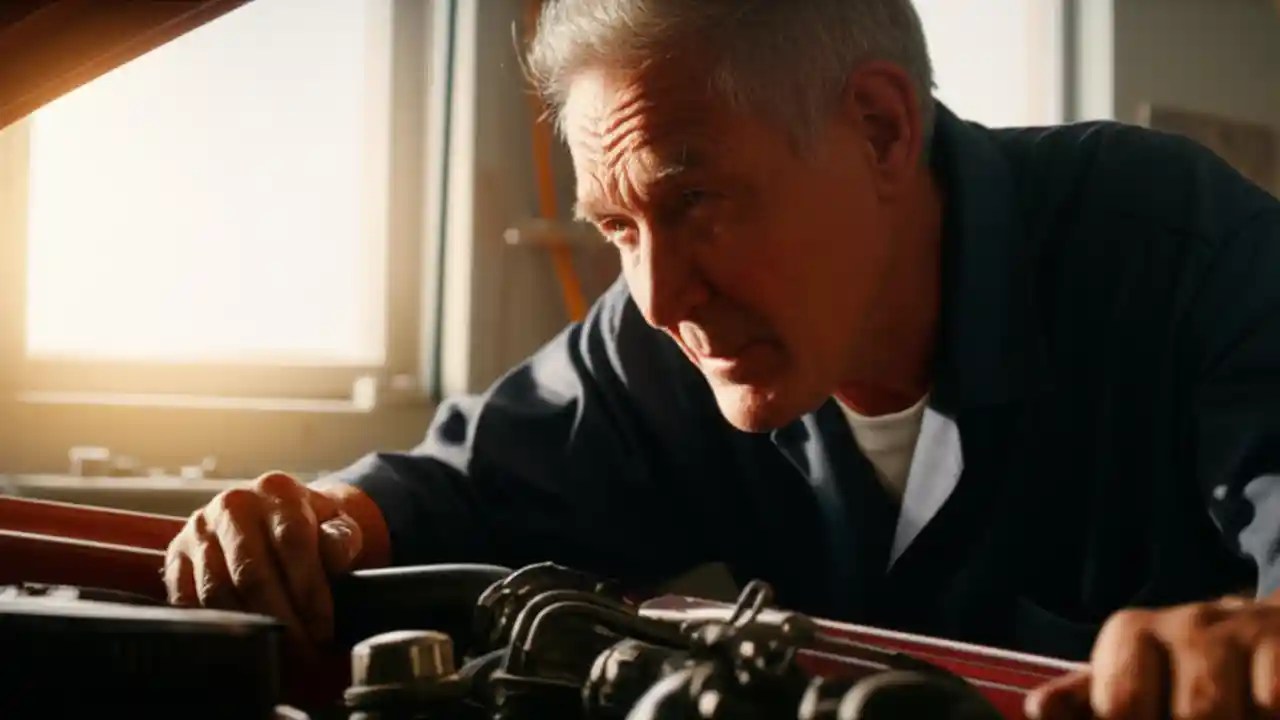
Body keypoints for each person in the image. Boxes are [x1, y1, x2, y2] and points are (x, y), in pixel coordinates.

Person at [164, 1, 1280, 717]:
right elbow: (450, 489)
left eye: (692, 200)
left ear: (881, 128)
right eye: (616, 227)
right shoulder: (666, 341)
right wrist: (307, 522)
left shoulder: (1175, 250)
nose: (657, 299)